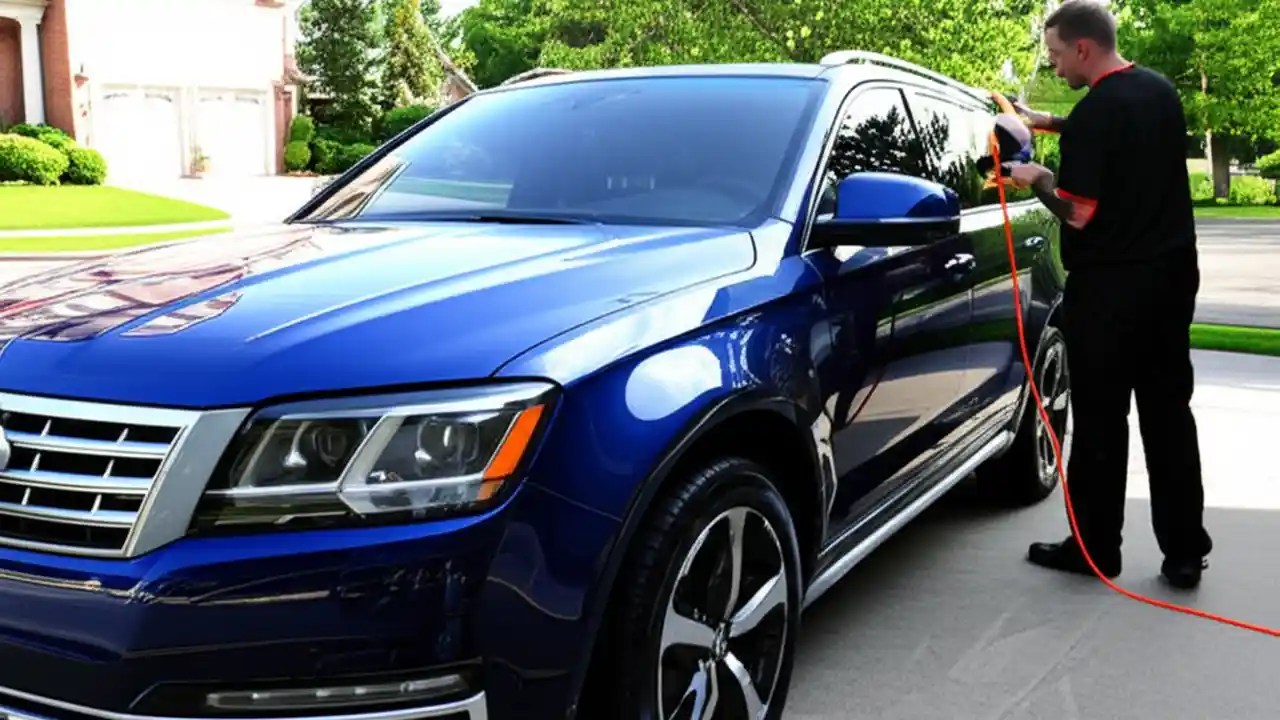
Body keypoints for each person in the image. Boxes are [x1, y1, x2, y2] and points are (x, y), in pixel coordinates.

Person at [1005, 0, 1212, 589]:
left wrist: (1036, 178)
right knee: (1169, 416)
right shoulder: (1157, 91)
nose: (1054, 65)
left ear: (1083, 49)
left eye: (1054, 54)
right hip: (1170, 285)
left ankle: (1096, 550)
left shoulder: (1099, 113)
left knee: (1100, 422)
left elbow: (1078, 213)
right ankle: (1184, 555)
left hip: (1110, 295)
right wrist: (1045, 120)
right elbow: (1111, 130)